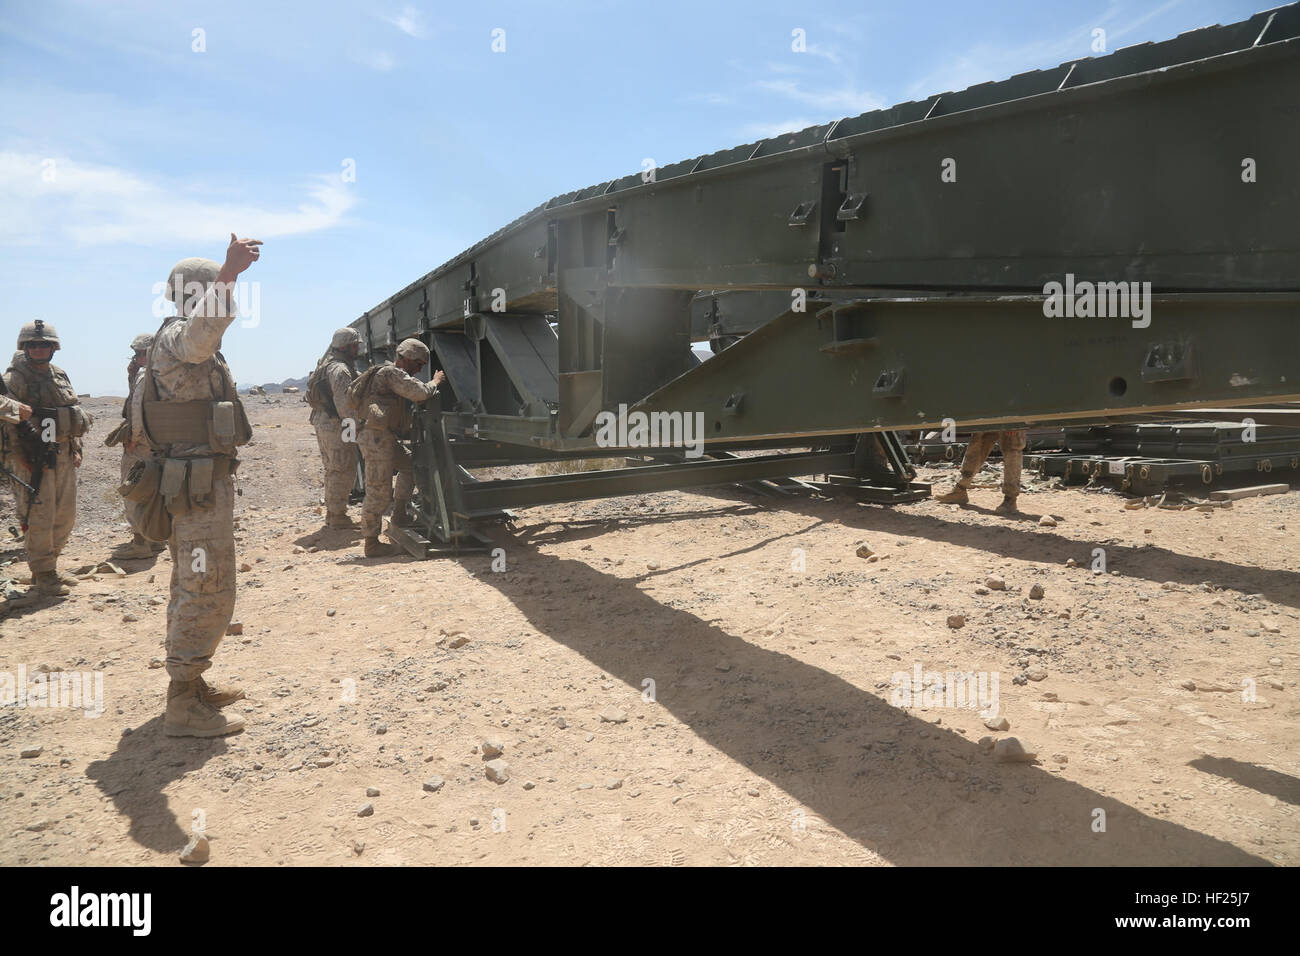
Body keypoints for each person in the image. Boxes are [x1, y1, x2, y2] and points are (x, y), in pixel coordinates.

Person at [130, 234, 260, 737]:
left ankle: (189, 685)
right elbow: (201, 334)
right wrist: (230, 271)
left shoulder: (179, 345)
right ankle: (183, 704)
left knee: (192, 583)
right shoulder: (177, 342)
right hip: (192, 489)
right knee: (207, 588)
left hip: (197, 484)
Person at [2, 321, 88, 596]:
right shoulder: (14, 377)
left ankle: (51, 564)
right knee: (40, 514)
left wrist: (76, 448)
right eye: (33, 345)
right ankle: (43, 573)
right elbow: (7, 420)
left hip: (62, 451)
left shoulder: (59, 374)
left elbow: (69, 412)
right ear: (25, 348)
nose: (39, 349)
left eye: (44, 345)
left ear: (53, 348)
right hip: (32, 456)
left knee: (65, 515)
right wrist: (20, 457)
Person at [353, 337, 444, 557]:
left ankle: (400, 514)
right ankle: (372, 543)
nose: (419, 369)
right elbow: (420, 392)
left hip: (384, 437)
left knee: (410, 465)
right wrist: (435, 381)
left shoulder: (390, 375)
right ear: (407, 359)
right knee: (378, 490)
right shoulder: (391, 373)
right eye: (418, 364)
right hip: (376, 439)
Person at [115, 333, 166, 558]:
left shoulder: (146, 374)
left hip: (141, 444)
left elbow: (137, 407)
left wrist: (134, 437)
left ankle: (140, 543)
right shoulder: (164, 372)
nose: (135, 358)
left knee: (134, 489)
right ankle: (155, 538)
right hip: (159, 442)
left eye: (139, 354)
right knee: (154, 489)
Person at [307, 328, 362, 529]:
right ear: (347, 346)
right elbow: (345, 405)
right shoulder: (340, 370)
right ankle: (337, 516)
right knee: (344, 467)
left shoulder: (328, 365)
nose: (358, 349)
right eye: (356, 345)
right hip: (338, 424)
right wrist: (357, 425)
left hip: (325, 421)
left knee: (333, 468)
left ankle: (333, 514)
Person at [934, 429, 1027, 513]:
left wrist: (1016, 423)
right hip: (990, 413)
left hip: (1010, 415)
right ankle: (960, 489)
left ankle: (1010, 500)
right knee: (978, 443)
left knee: (1011, 448)